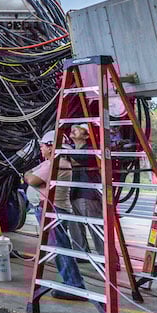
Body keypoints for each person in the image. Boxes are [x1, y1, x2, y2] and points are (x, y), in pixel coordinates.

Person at [24, 130, 87, 301]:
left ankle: (74, 284)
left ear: (52, 147)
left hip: (52, 211)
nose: (41, 149)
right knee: (58, 247)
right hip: (52, 210)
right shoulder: (56, 162)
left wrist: (28, 174)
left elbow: (31, 179)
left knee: (60, 248)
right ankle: (72, 282)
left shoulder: (55, 163)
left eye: (43, 146)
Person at [67, 123, 104, 256]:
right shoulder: (70, 149)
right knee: (75, 225)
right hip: (73, 192)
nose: (73, 129)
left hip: (87, 193)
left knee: (95, 226)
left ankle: (106, 255)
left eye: (77, 129)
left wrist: (64, 148)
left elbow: (78, 160)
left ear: (86, 136)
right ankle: (80, 253)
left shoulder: (90, 150)